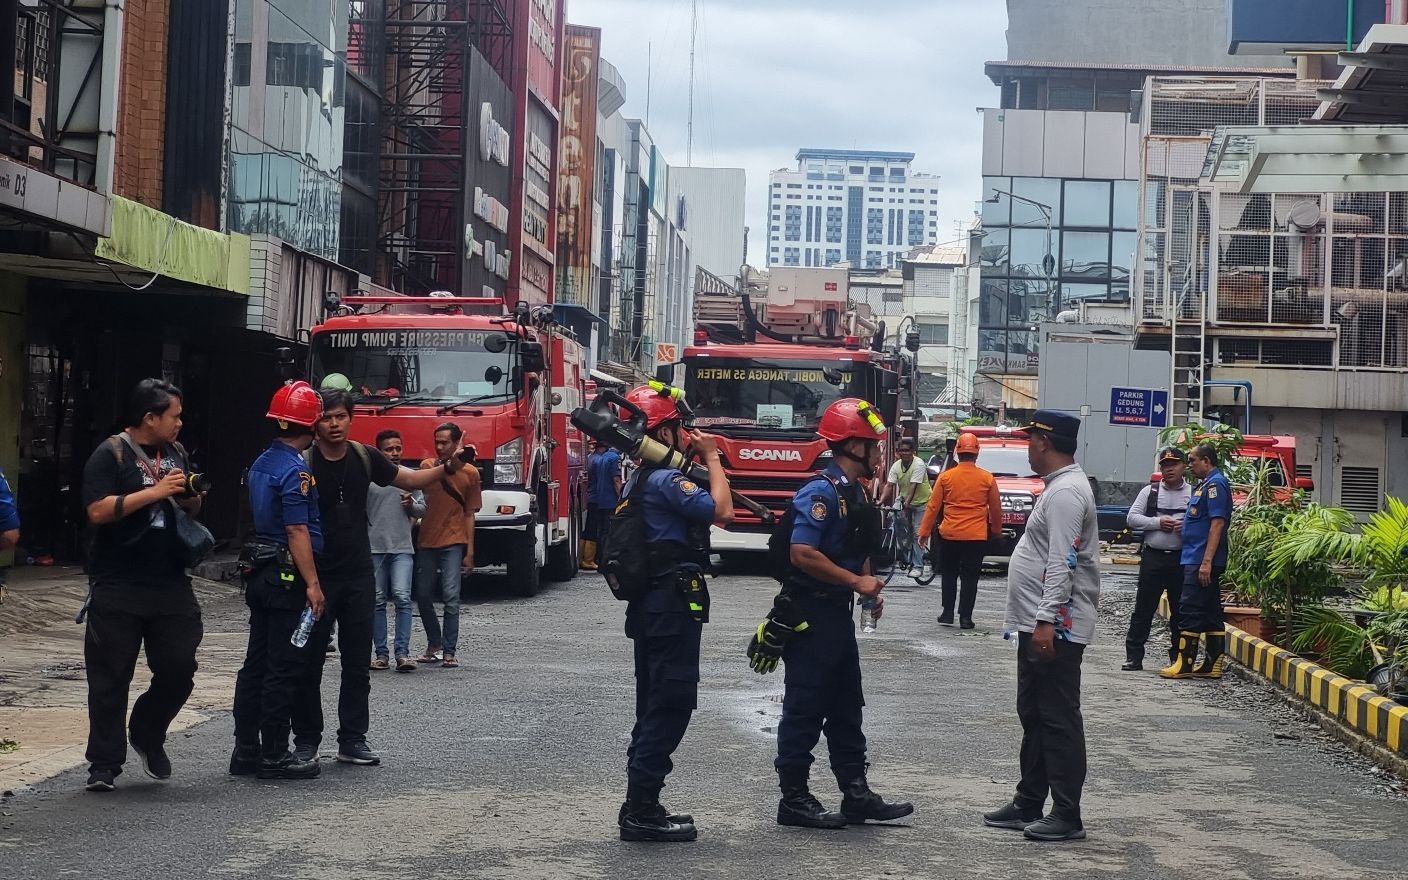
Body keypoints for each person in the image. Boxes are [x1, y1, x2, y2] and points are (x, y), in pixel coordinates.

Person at [292, 390, 473, 767]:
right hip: (319, 576)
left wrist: (448, 466)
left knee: (357, 662)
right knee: (308, 663)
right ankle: (306, 741)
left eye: (341, 416)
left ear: (350, 418)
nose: (334, 424)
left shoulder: (364, 457)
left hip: (360, 572)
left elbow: (410, 478)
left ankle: (352, 739)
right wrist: (310, 582)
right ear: (315, 422)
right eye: (327, 417)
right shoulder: (303, 462)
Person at [766, 398, 913, 831]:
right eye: (873, 445)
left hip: (837, 615)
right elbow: (802, 553)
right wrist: (855, 583)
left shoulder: (855, 492)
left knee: (847, 706)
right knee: (805, 707)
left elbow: (856, 548)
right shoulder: (820, 492)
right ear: (852, 446)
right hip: (810, 613)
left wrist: (867, 590)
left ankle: (856, 793)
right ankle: (794, 799)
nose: (879, 453)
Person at [615, 384, 733, 843]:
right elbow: (722, 511)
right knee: (670, 703)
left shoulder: (638, 479)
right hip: (670, 604)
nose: (686, 435)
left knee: (653, 704)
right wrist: (713, 457)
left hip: (652, 605)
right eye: (679, 428)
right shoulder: (666, 480)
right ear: (662, 432)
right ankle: (641, 810)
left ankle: (640, 803)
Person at [77, 379, 206, 792]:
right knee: (110, 677)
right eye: (174, 416)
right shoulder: (111, 453)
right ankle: (104, 764)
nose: (180, 423)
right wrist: (154, 492)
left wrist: (188, 495)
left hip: (170, 580)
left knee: (179, 668)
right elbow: (97, 511)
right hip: (118, 581)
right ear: (150, 417)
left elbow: (189, 506)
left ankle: (148, 732)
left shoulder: (175, 451)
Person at [984, 410, 1099, 842]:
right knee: (1034, 713)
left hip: (1056, 626)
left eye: (1030, 439)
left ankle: (1067, 814)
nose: (1027, 447)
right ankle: (1028, 802)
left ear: (1044, 443)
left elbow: (1062, 560)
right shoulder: (1058, 487)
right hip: (1039, 622)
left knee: (1057, 718)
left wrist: (1047, 619)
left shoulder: (1067, 492)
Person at [230, 381, 326, 781]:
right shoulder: (295, 470)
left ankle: (245, 750)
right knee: (282, 667)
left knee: (255, 664)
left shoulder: (260, 462)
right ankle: (274, 753)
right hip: (286, 576)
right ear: (312, 425)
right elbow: (296, 530)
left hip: (260, 572)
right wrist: (313, 584)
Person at [1161, 443, 1232, 680]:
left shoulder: (1215, 485)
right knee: (1211, 611)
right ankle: (1212, 663)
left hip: (1201, 558)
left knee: (1189, 608)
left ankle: (1185, 662)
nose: (1189, 465)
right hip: (1196, 556)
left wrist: (1206, 561)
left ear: (1206, 461)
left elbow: (1217, 523)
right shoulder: (1205, 485)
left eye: (1192, 460)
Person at [414, 422, 481, 669]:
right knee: (422, 594)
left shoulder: (471, 474)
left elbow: (469, 514)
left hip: (454, 539)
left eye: (445, 443)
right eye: (437, 442)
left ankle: (449, 651)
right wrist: (454, 461)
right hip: (427, 539)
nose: (440, 447)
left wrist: (470, 551)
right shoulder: (427, 467)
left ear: (455, 443)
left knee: (451, 596)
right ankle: (434, 642)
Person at [918, 432, 1002, 629]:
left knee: (949, 574)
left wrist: (924, 532)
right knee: (970, 577)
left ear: (957, 452)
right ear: (977, 453)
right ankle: (966, 618)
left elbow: (933, 507)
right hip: (976, 536)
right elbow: (995, 508)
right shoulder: (987, 478)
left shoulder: (946, 477)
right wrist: (996, 531)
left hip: (950, 534)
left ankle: (947, 614)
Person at [1122, 447, 1191, 671]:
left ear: (1184, 466)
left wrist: (1186, 527)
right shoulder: (1150, 492)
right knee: (1143, 608)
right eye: (1165, 465)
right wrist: (1157, 523)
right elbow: (1132, 518)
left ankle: (1178, 657)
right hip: (1153, 557)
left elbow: (1204, 523)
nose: (1169, 469)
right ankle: (1134, 657)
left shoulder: (1193, 492)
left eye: (1174, 464)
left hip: (1180, 559)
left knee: (1180, 610)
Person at [368, 429, 425, 672]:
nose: (394, 453)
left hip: (402, 547)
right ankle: (381, 655)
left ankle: (402, 653)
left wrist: (411, 504)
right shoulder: (368, 480)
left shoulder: (410, 477)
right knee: (377, 600)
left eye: (398, 448)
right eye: (389, 449)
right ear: (379, 452)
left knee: (402, 597)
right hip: (374, 548)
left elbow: (422, 510)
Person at [882, 438, 931, 577]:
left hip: (922, 502)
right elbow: (889, 485)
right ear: (898, 452)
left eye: (907, 450)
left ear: (913, 452)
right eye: (902, 450)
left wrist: (907, 503)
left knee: (916, 533)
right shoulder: (896, 466)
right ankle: (904, 550)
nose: (904, 453)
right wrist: (881, 501)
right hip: (904, 499)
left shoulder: (919, 464)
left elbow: (913, 486)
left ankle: (918, 566)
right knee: (893, 518)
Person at [582, 439, 623, 571]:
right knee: (604, 531)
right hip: (607, 500)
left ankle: (590, 558)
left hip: (597, 498)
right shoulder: (612, 458)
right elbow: (616, 480)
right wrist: (622, 498)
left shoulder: (595, 458)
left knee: (596, 530)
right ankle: (597, 560)